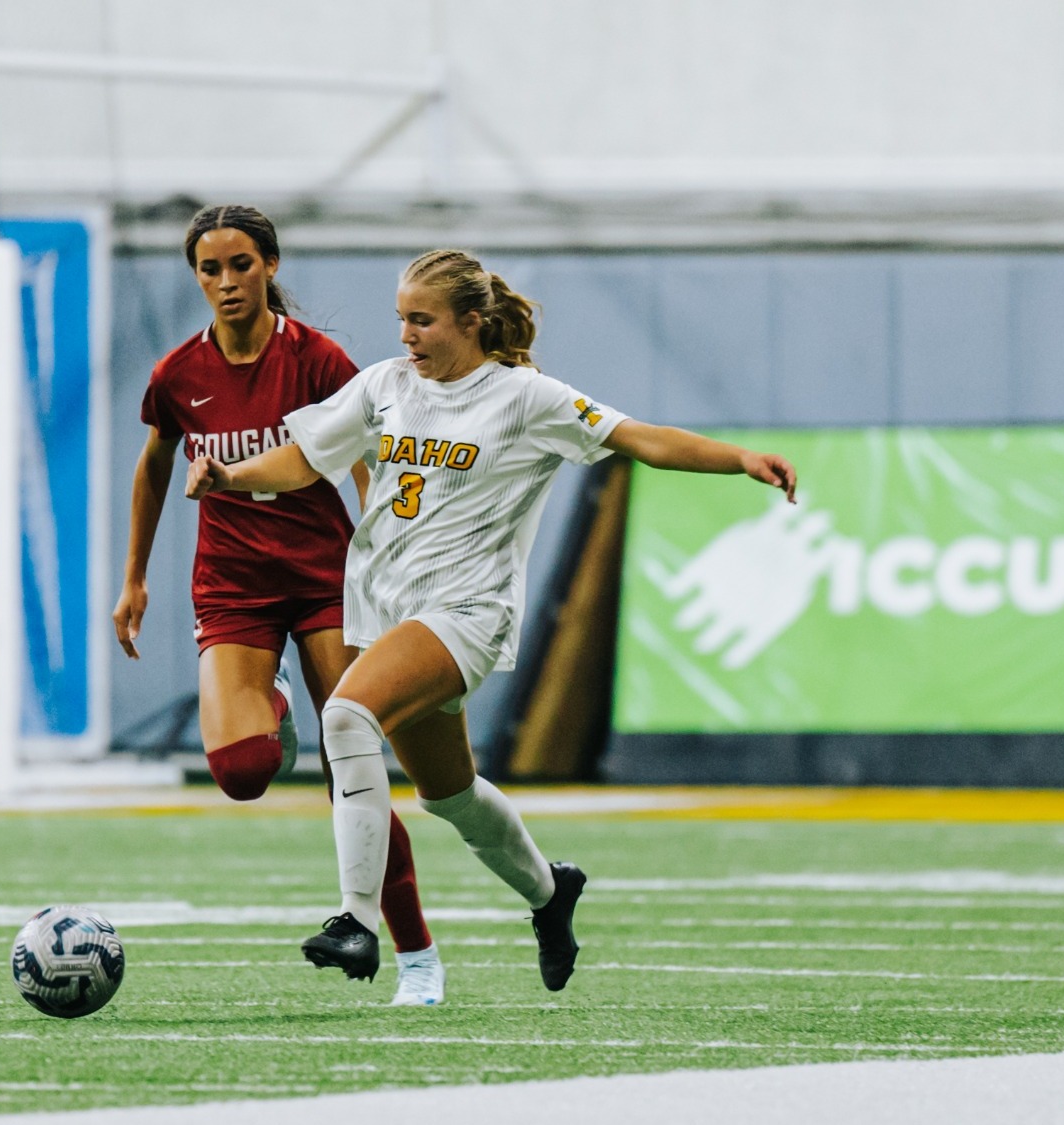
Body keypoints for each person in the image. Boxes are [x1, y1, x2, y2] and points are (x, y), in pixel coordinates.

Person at [184, 248, 798, 990]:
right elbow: (306, 459)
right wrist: (232, 476)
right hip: (386, 611)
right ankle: (549, 891)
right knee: (450, 794)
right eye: (401, 318)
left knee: (345, 716)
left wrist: (740, 459)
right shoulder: (385, 384)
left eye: (423, 320)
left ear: (471, 322)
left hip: (467, 611)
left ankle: (355, 921)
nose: (406, 334)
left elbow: (640, 437)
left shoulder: (525, 399)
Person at [115, 206, 444, 1006]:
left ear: (268, 265)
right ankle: (274, 700)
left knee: (352, 771)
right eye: (209, 269)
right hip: (231, 584)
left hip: (322, 577)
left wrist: (384, 557)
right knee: (241, 770)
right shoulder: (177, 375)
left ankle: (418, 957)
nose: (226, 283)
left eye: (240, 265)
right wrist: (135, 577)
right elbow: (155, 460)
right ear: (196, 276)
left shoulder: (318, 360)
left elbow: (372, 456)